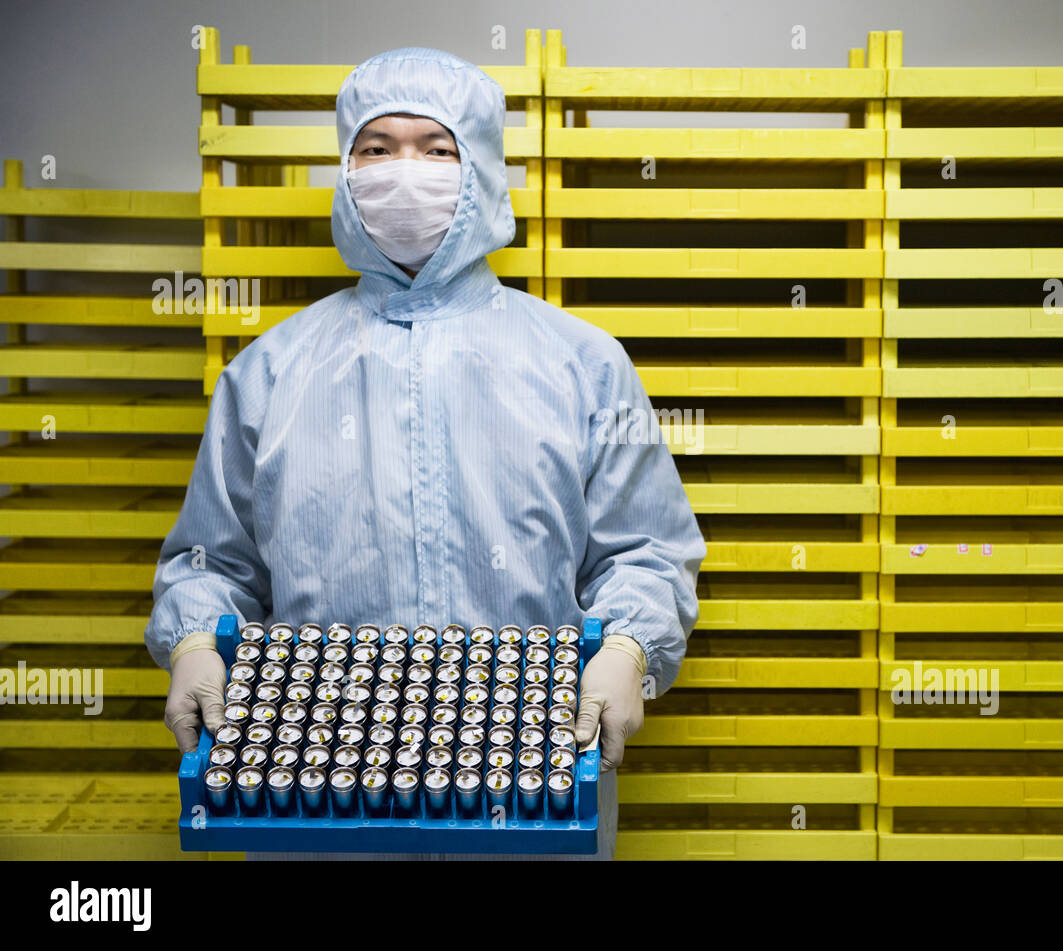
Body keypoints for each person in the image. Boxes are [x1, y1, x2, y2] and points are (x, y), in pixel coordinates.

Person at [147, 46, 706, 860]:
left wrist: (628, 647)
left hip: (532, 786)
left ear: (480, 166)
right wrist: (198, 639)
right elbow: (211, 558)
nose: (404, 172)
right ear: (345, 172)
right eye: (377, 148)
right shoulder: (269, 373)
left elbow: (646, 550)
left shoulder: (581, 364)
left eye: (436, 149)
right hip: (316, 794)